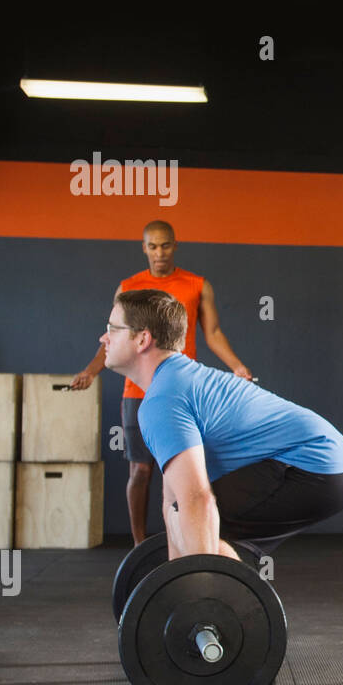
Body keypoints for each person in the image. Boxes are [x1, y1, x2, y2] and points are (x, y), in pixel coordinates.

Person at [100, 289, 343, 558]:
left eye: (113, 329)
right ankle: (216, 581)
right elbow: (172, 500)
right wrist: (175, 577)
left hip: (314, 466)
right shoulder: (174, 382)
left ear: (142, 339)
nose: (103, 337)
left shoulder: (163, 399)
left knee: (197, 524)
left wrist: (198, 578)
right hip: (330, 464)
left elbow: (197, 499)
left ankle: (219, 587)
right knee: (185, 520)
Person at [70, 220, 253, 544]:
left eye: (165, 245)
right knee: (141, 471)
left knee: (183, 475)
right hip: (138, 392)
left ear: (175, 245)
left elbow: (212, 333)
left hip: (184, 392)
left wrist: (238, 367)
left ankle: (183, 541)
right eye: (152, 246)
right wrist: (90, 371)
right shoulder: (128, 287)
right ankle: (140, 545)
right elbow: (112, 338)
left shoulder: (197, 285)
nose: (159, 253)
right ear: (144, 248)